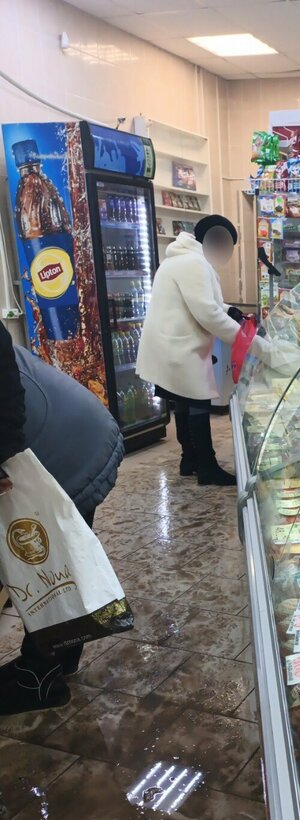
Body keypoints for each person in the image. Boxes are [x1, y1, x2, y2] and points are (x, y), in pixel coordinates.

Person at [0, 323, 124, 714]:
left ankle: (42, 676)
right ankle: (57, 658)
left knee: (50, 564)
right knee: (51, 561)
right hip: (58, 429)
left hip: (65, 443)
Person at [137, 215, 244, 486]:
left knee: (183, 402)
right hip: (180, 348)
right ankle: (206, 467)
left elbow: (199, 300)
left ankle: (189, 459)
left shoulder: (177, 258)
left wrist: (230, 310)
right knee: (198, 401)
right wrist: (243, 339)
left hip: (169, 345)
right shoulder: (194, 263)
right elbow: (207, 313)